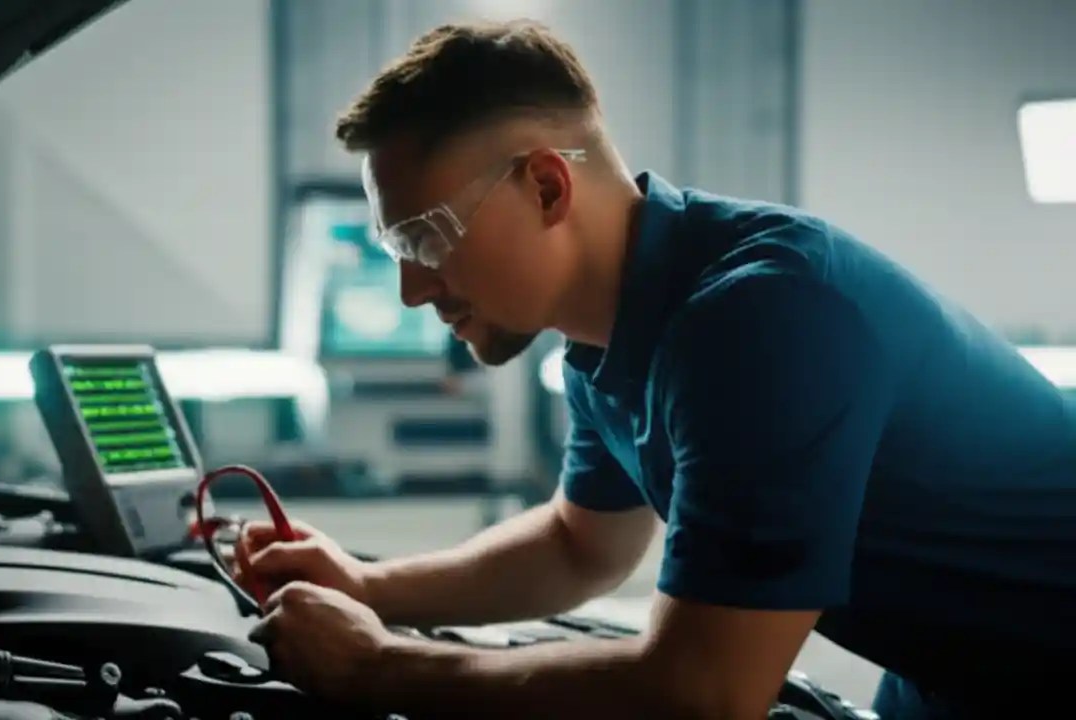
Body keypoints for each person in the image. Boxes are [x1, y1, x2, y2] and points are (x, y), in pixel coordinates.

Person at [235, 19, 1076, 720]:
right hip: (950, 685)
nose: (413, 289)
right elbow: (578, 545)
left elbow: (706, 693)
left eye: (423, 238)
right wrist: (367, 585)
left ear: (547, 188)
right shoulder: (613, 334)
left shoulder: (757, 319)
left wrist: (376, 668)